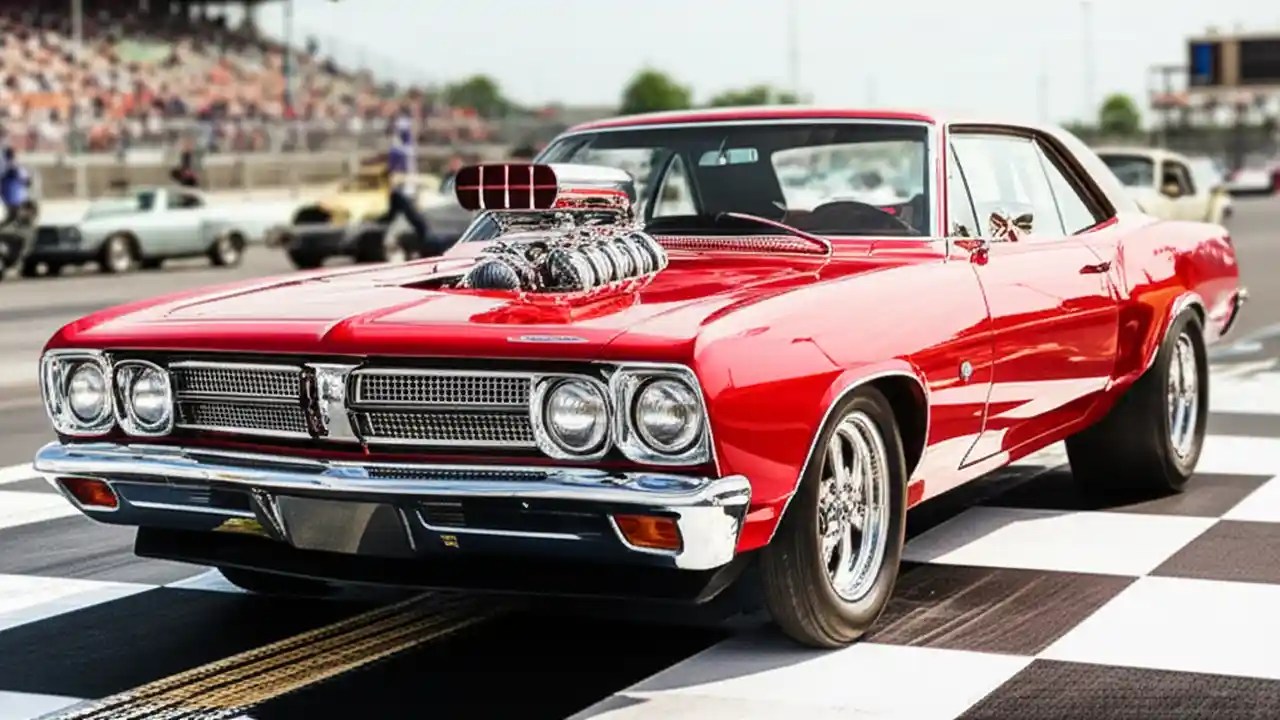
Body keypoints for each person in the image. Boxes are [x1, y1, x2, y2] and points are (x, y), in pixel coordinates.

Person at [385, 115, 440, 254]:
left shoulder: (406, 147)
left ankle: (415, 241)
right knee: (412, 219)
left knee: (403, 217)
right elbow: (394, 170)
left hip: (407, 187)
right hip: (401, 188)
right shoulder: (398, 149)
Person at [0, 147, 34, 230]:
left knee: (12, 213)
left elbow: (27, 181)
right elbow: (27, 181)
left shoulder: (12, 166)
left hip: (11, 193)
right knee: (12, 213)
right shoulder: (14, 167)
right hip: (12, 193)